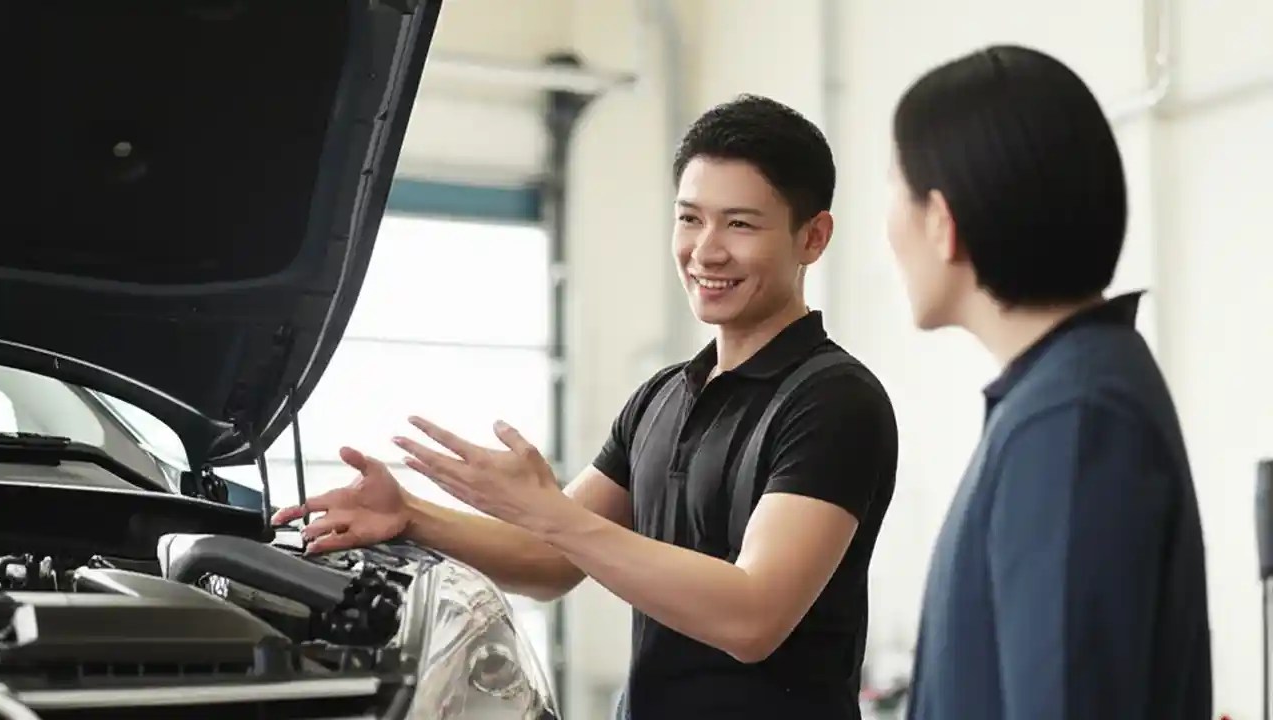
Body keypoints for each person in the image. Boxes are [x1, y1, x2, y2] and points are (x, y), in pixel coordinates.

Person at [273, 94, 899, 719]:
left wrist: (549, 514)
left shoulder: (833, 400)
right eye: (689, 219)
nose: (705, 251)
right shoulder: (660, 397)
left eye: (739, 224)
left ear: (813, 237)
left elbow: (752, 615)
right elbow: (550, 562)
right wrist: (409, 515)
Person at [884, 45, 1212, 719]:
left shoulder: (1071, 420)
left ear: (942, 223)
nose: (888, 226)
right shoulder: (1066, 394)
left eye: (894, 190)